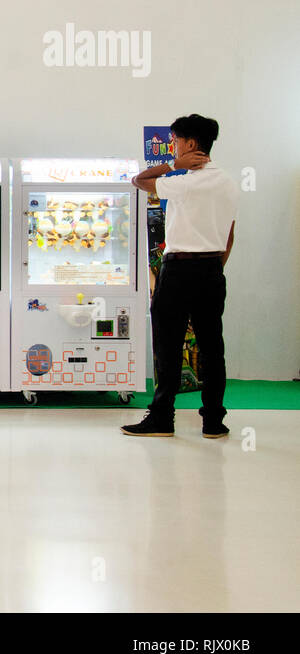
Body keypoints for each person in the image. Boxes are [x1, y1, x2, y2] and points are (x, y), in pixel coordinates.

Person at [125, 114, 238, 438]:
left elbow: (138, 180)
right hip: (213, 269)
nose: (173, 147)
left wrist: (173, 164)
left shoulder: (185, 181)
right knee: (212, 347)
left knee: (168, 345)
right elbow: (230, 236)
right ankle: (214, 421)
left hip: (178, 270)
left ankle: (162, 418)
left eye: (175, 141)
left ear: (189, 144)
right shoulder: (229, 182)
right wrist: (214, 268)